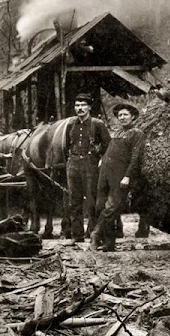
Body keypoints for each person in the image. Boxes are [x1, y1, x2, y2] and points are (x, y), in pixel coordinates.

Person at [90, 103, 147, 251]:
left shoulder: (136, 134)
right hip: (105, 174)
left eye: (125, 115)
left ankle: (95, 234)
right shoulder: (116, 133)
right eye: (120, 115)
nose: (122, 118)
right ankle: (109, 243)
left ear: (133, 116)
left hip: (120, 175)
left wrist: (128, 176)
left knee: (111, 208)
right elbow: (108, 151)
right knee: (100, 206)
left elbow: (136, 157)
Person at [64, 93, 111, 241]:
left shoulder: (97, 124)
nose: (80, 108)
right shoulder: (71, 124)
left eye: (83, 105)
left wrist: (100, 159)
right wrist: (71, 161)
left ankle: (93, 234)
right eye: (77, 105)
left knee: (92, 200)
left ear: (89, 107)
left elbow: (108, 145)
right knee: (74, 201)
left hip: (90, 163)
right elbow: (66, 145)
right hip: (73, 163)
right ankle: (76, 235)